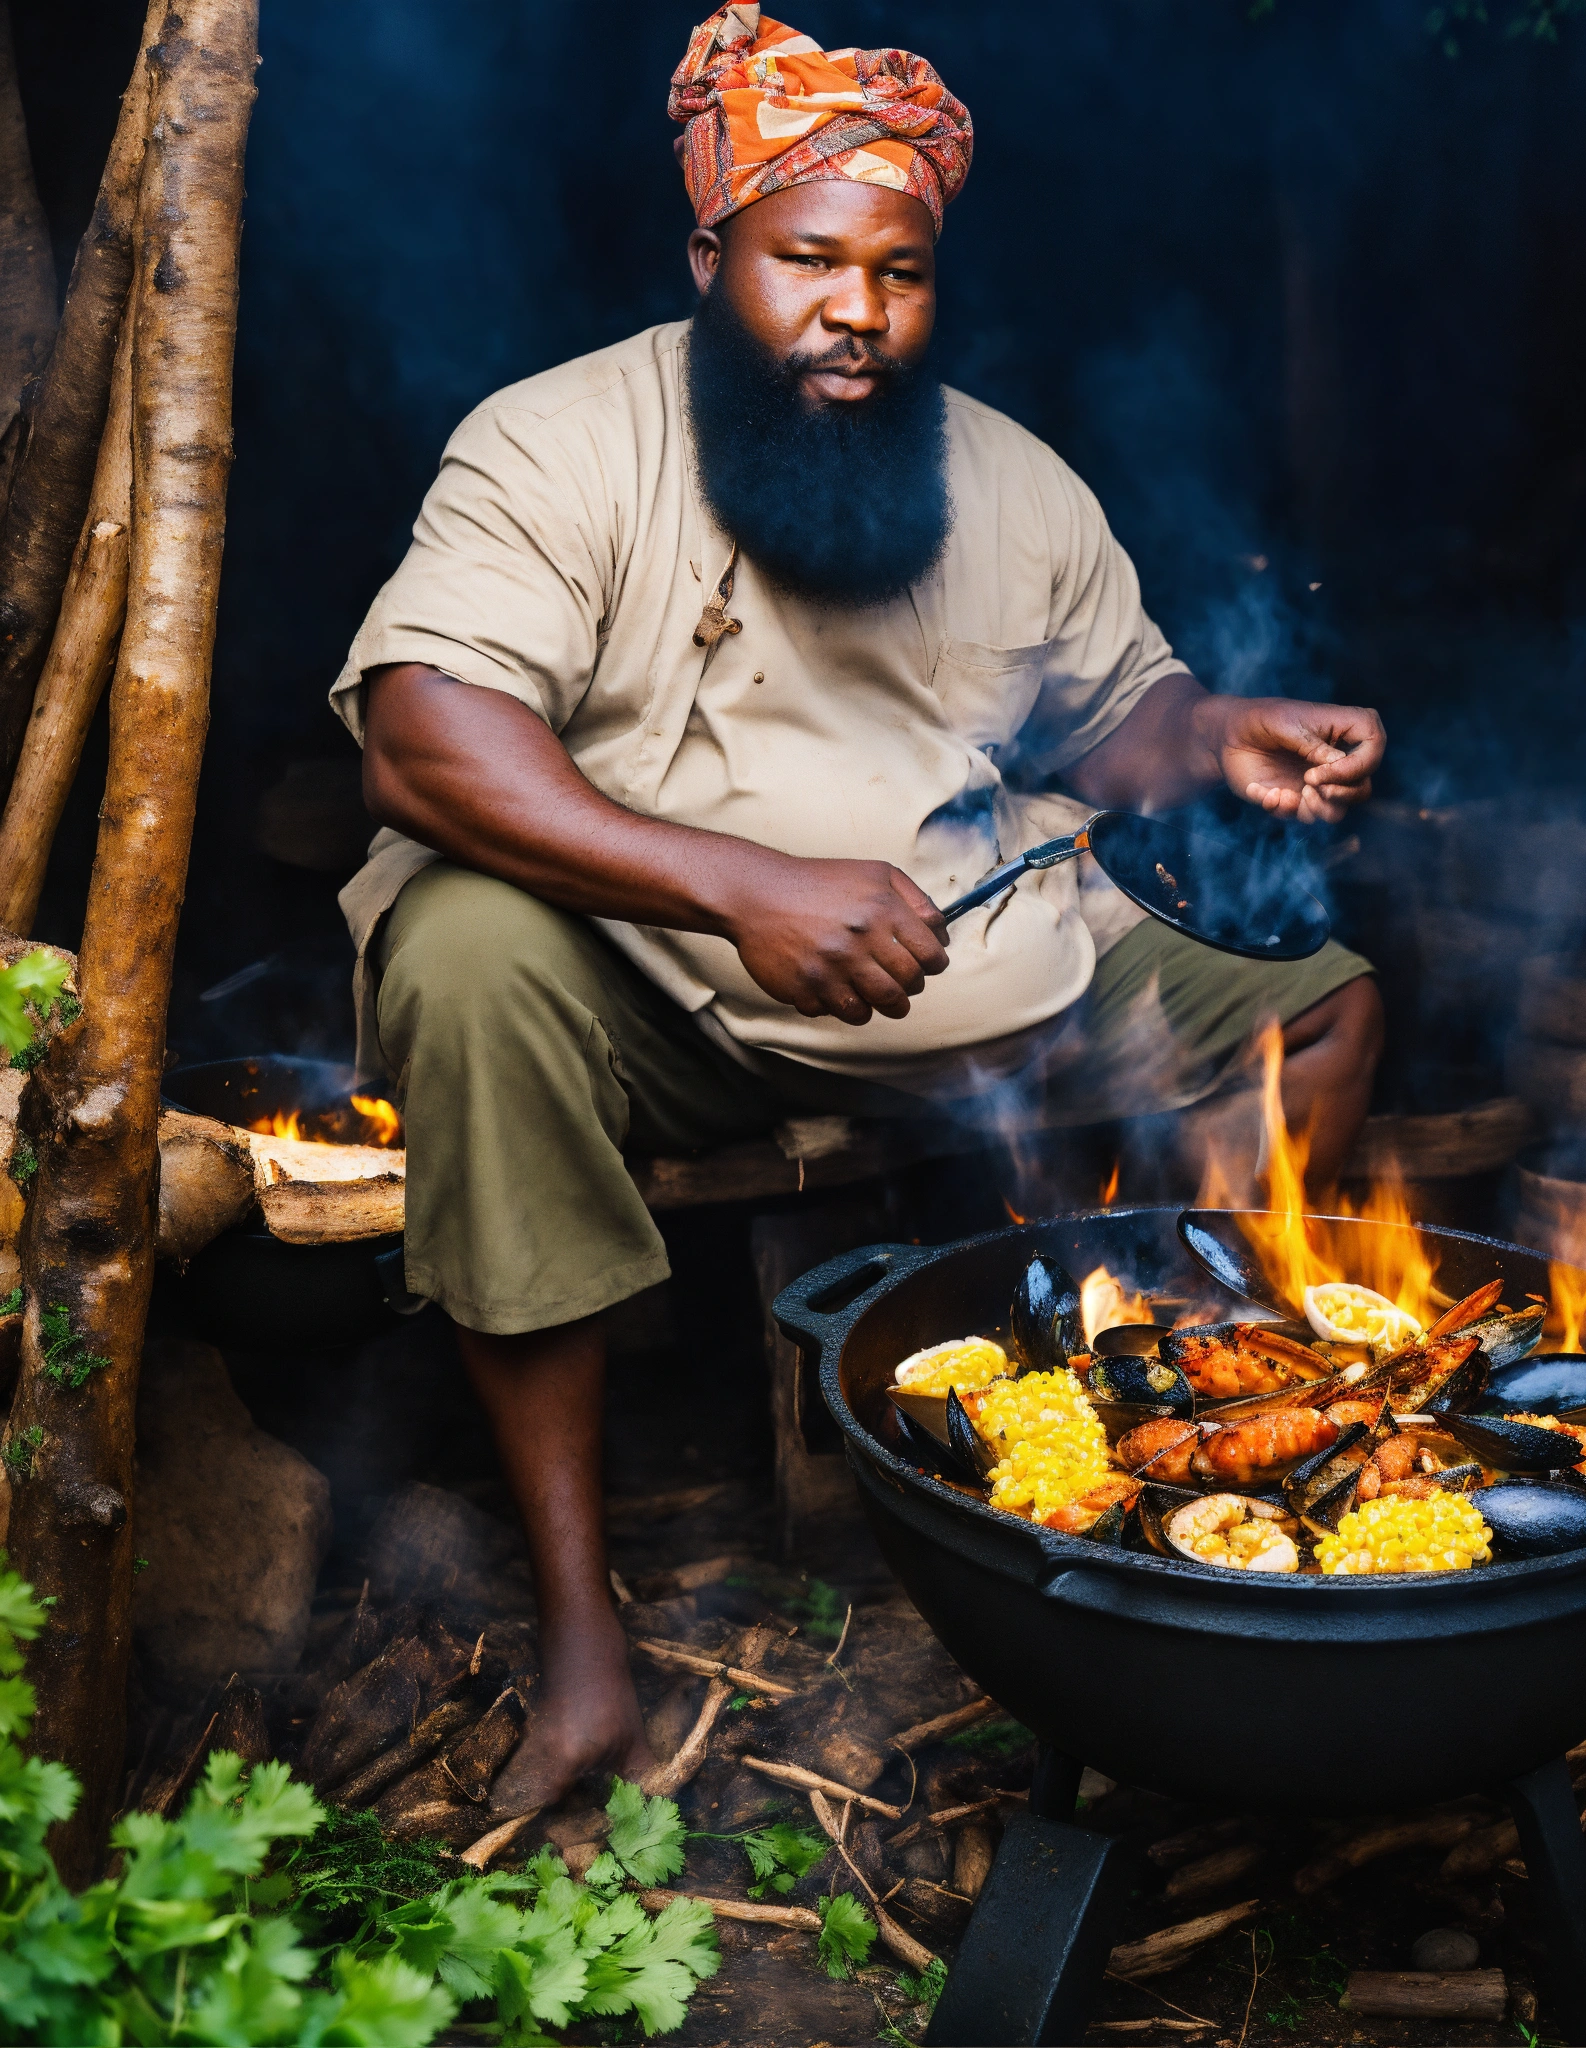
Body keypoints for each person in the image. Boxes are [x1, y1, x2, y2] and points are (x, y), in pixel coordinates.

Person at [334, 4, 1387, 1811]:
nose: (857, 312)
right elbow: (423, 741)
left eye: (898, 274)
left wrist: (1219, 734)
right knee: (460, 946)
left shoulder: (1010, 478)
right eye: (807, 260)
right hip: (659, 989)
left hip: (986, 968)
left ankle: (1156, 1457)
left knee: (1323, 1005)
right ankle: (585, 1640)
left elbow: (1114, 717)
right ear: (711, 260)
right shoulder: (559, 444)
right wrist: (739, 885)